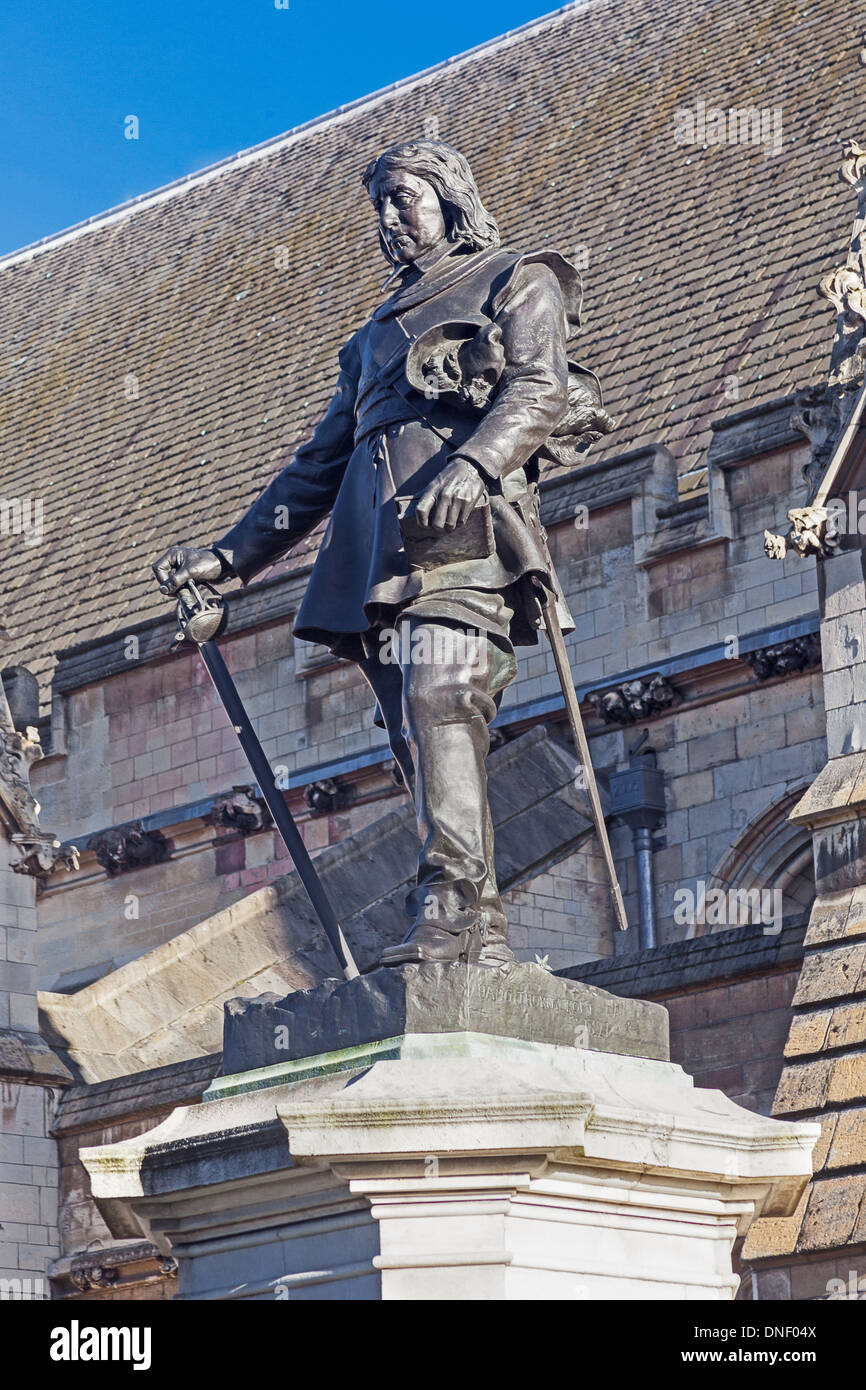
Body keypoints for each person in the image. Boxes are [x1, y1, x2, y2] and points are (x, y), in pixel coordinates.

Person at [154, 139, 609, 967]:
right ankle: (484, 933)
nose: (390, 220)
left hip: (468, 536)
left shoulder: (517, 278)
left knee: (444, 693)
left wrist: (474, 463)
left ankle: (445, 902)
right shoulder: (369, 341)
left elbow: (538, 388)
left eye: (404, 198)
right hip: (376, 557)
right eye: (380, 208)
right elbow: (317, 467)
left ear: (450, 197)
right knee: (418, 733)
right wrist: (229, 561)